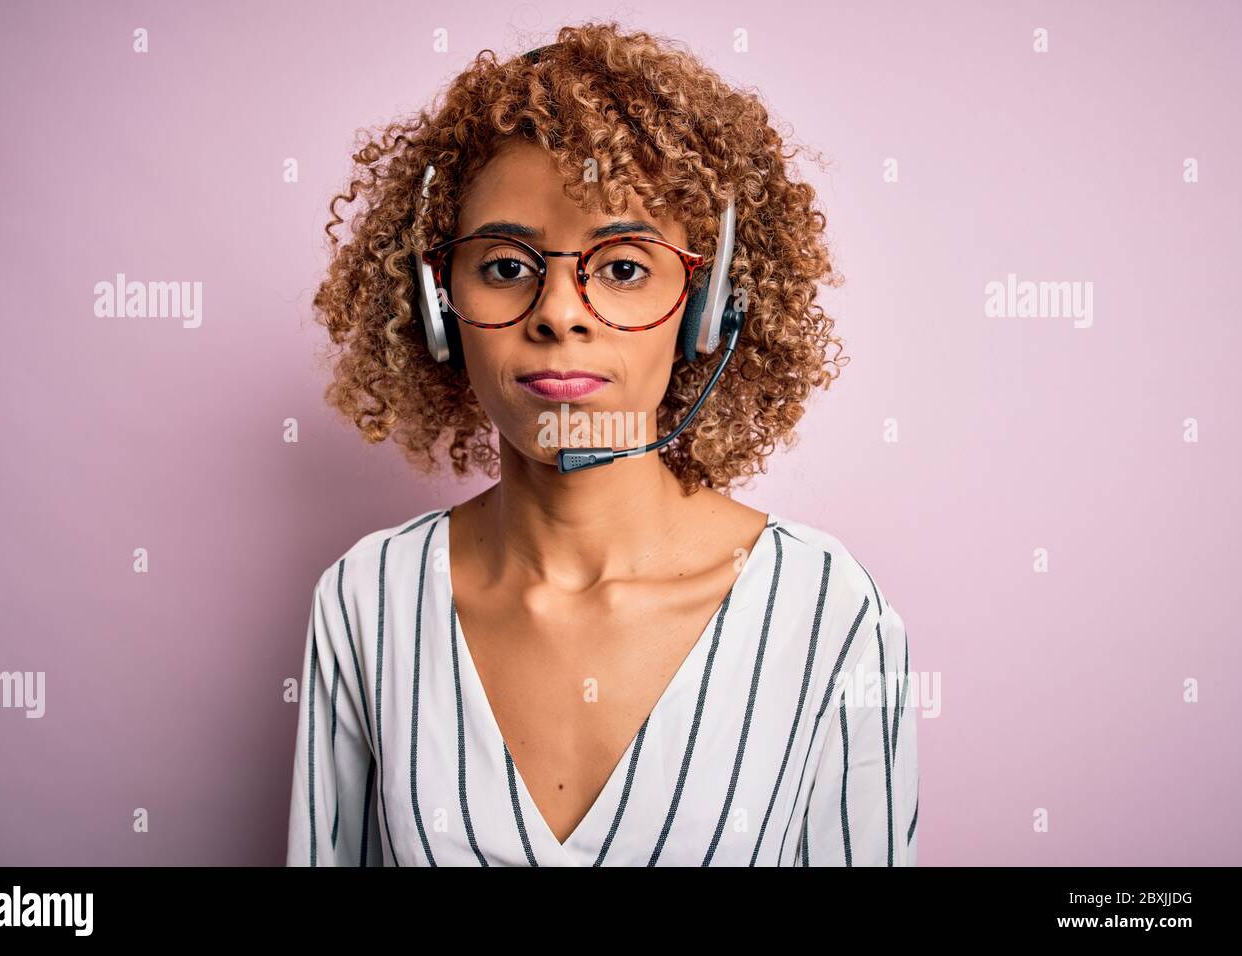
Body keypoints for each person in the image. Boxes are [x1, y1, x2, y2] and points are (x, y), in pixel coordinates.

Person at [287, 22, 917, 866]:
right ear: (439, 312)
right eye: (506, 265)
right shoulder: (366, 603)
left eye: (622, 266)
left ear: (705, 310)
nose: (559, 311)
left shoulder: (828, 611)